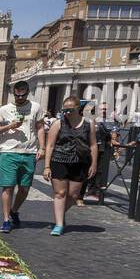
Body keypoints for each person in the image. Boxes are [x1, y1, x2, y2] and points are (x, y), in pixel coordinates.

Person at [0, 80, 43, 233]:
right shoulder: (4, 109)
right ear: (13, 93)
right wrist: (9, 126)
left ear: (28, 93)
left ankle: (14, 210)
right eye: (17, 95)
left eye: (23, 95)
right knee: (8, 187)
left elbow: (40, 128)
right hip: (9, 152)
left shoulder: (36, 107)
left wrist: (43, 147)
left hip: (29, 152)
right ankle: (6, 219)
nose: (20, 98)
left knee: (25, 188)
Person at [43, 96, 98, 236]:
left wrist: (94, 163)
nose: (67, 113)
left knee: (73, 195)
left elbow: (93, 144)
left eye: (70, 110)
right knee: (60, 193)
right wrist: (47, 166)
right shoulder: (58, 123)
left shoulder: (88, 123)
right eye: (64, 110)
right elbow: (50, 145)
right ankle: (59, 223)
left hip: (80, 162)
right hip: (59, 160)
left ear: (78, 108)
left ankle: (59, 214)